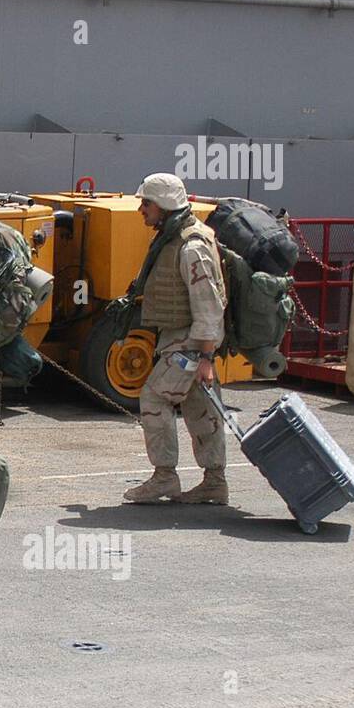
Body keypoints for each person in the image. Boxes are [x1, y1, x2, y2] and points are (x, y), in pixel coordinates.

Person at [122, 172, 230, 505]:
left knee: (154, 398)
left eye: (147, 203)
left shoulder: (190, 246)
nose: (142, 209)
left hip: (191, 345)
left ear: (165, 206)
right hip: (187, 341)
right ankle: (214, 482)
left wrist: (205, 357)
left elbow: (209, 305)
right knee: (200, 407)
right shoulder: (174, 238)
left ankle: (165, 477)